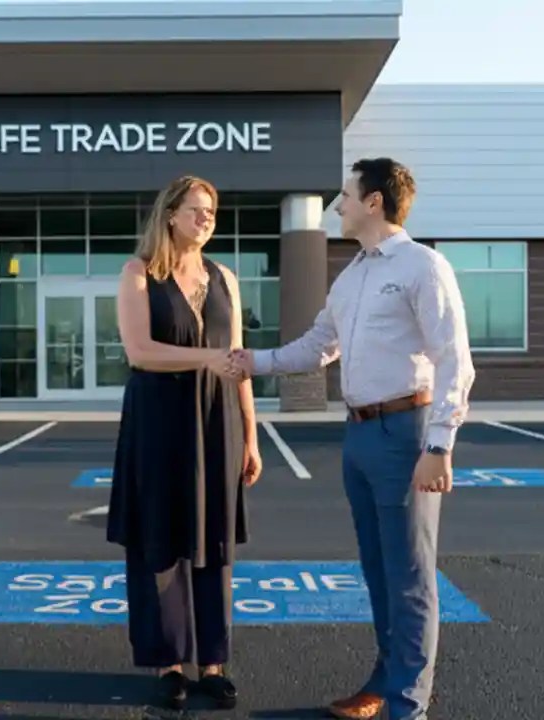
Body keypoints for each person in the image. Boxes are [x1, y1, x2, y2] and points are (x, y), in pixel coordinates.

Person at [224, 157, 476, 720]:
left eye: (346, 195)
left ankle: (408, 706)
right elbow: (319, 346)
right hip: (359, 434)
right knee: (378, 572)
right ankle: (387, 682)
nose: (337, 205)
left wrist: (440, 445)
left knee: (410, 577)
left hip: (405, 433)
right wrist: (254, 362)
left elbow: (454, 360)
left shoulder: (423, 266)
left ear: (374, 202)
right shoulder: (352, 276)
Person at [107, 175, 264, 711]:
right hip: (158, 422)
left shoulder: (225, 278)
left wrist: (251, 435)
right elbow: (140, 351)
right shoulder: (138, 273)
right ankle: (169, 664)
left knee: (215, 539)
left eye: (212, 211)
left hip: (218, 420)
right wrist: (207, 358)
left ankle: (213, 664)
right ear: (170, 214)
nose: (205, 219)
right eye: (196, 209)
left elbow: (238, 363)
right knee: (161, 539)